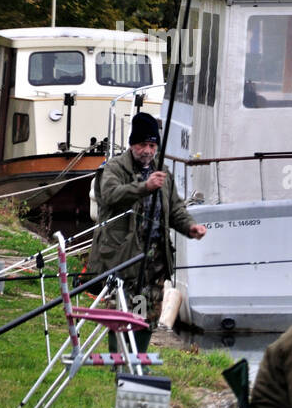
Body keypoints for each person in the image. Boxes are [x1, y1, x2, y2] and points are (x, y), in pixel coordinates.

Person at [87, 112, 207, 348]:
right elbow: (111, 196)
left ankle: (138, 359)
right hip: (123, 258)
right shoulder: (114, 169)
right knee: (121, 312)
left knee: (145, 314)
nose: (148, 151)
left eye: (152, 145)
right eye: (143, 144)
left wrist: (190, 226)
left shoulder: (162, 173)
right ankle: (119, 360)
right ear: (133, 144)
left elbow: (174, 208)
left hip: (154, 260)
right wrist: (144, 187)